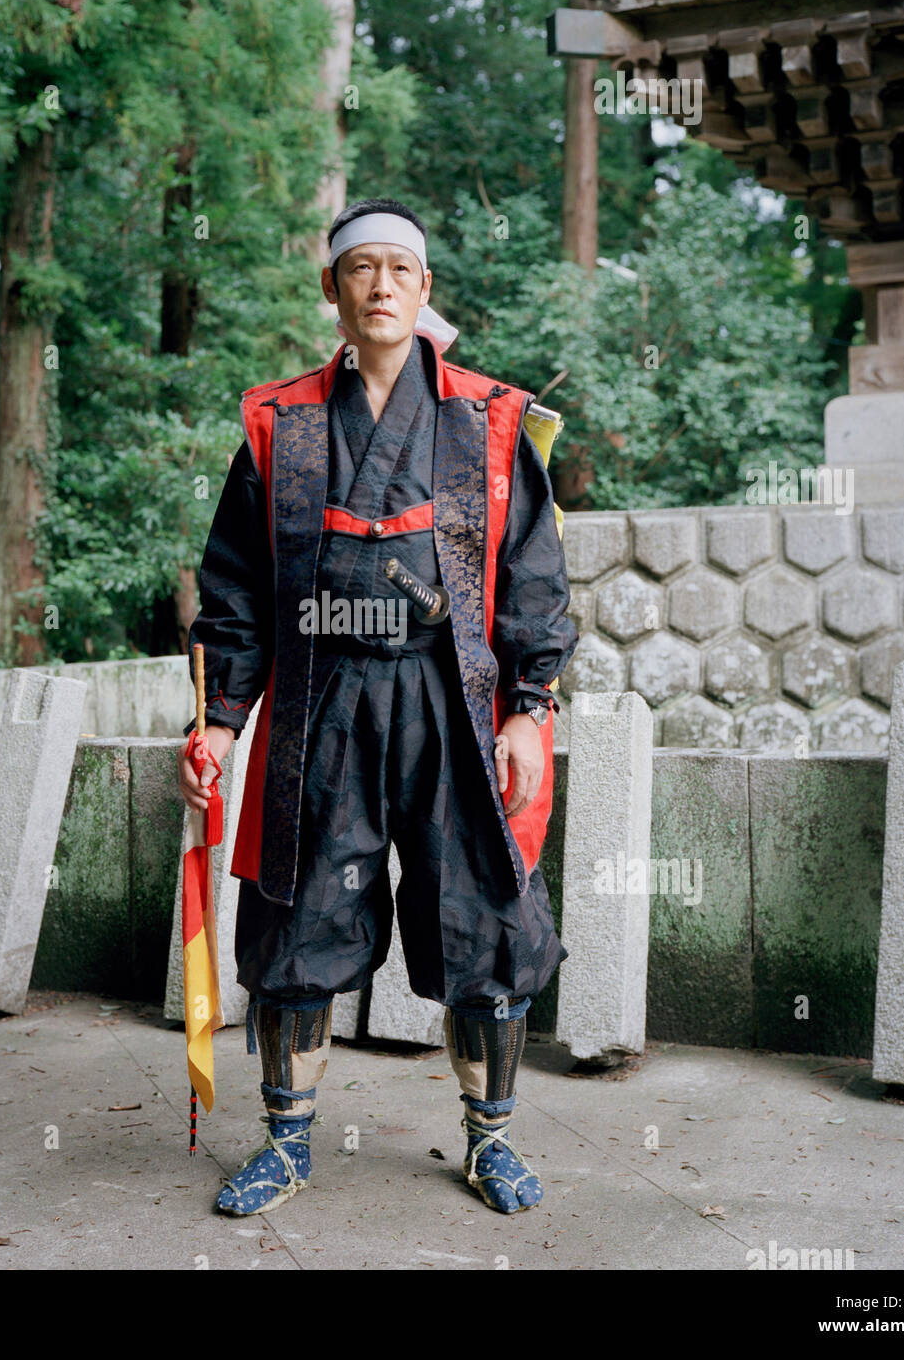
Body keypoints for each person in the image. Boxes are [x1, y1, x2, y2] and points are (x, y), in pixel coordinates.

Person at [179, 196, 578, 1217]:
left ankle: (488, 1140)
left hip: (453, 701)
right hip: (323, 698)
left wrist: (529, 710)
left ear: (425, 288)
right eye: (363, 268)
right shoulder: (282, 424)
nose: (383, 284)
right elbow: (234, 592)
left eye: (402, 268)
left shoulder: (488, 419)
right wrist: (220, 720)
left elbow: (533, 580)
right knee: (299, 916)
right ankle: (285, 1143)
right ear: (334, 290)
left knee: (483, 913)